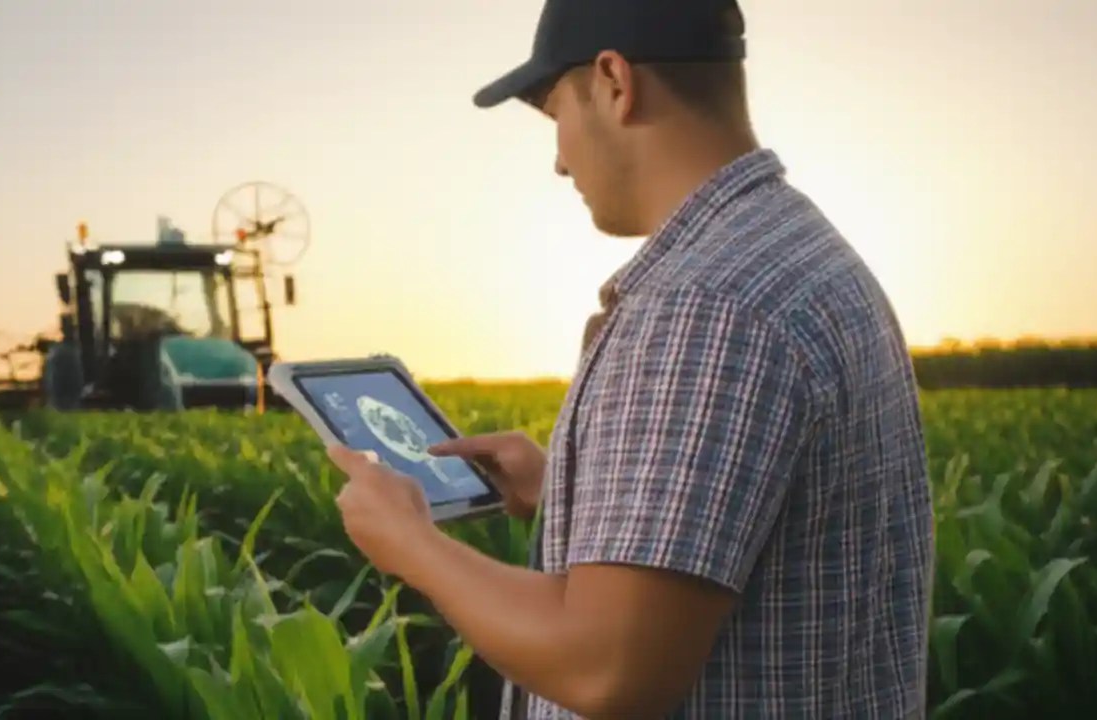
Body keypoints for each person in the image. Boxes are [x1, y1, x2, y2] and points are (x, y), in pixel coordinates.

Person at [324, 0, 936, 717]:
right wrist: (571, 493)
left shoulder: (702, 306)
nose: (558, 159)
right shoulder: (797, 252)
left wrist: (409, 543)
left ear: (615, 81)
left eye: (556, 114)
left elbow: (606, 668)